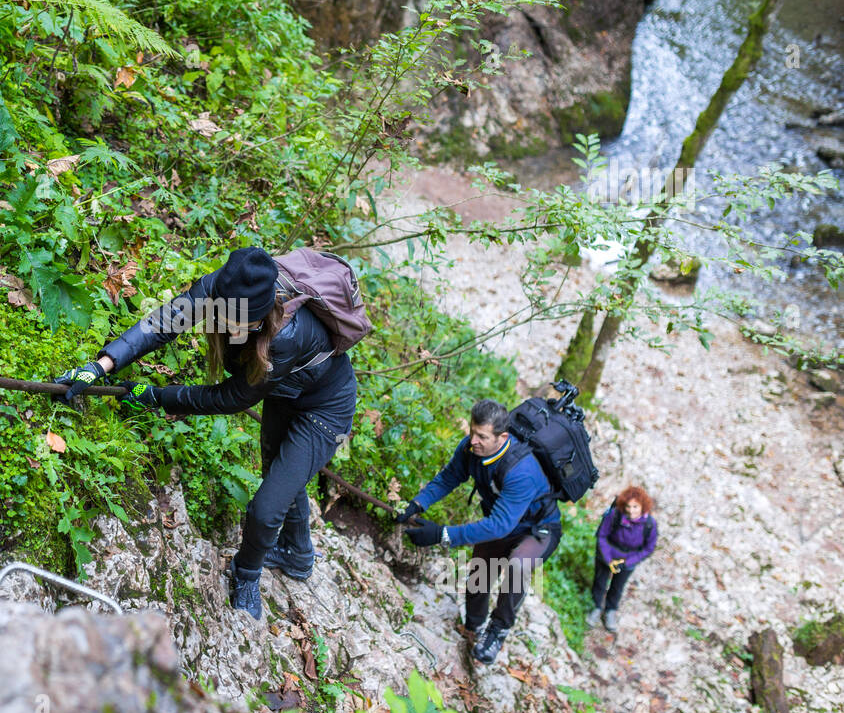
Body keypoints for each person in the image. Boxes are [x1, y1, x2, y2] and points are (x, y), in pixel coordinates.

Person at [53, 246, 358, 621]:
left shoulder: (287, 336)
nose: (229, 330)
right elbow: (163, 322)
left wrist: (156, 397)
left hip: (324, 408)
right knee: (279, 474)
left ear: (265, 315)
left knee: (265, 509)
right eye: (225, 318)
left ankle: (247, 574)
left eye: (240, 324)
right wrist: (101, 366)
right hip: (284, 392)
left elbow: (232, 396)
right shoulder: (220, 288)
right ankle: (299, 556)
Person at [397, 399, 561, 665]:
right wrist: (418, 503)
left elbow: (499, 526)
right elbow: (449, 477)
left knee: (519, 565)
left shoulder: (522, 471)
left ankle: (498, 630)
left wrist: (442, 534)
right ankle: (473, 627)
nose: (474, 440)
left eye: (482, 436)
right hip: (504, 523)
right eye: (472, 432)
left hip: (538, 529)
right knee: (479, 575)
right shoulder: (470, 449)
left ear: (502, 437)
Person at [587, 486, 658, 632]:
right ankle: (596, 607)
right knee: (600, 581)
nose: (631, 511)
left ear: (642, 506)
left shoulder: (650, 524)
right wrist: (608, 559)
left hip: (628, 559)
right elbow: (602, 535)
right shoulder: (614, 515)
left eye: (635, 507)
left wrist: (629, 561)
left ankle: (610, 610)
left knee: (618, 586)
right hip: (607, 553)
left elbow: (648, 548)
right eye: (628, 506)